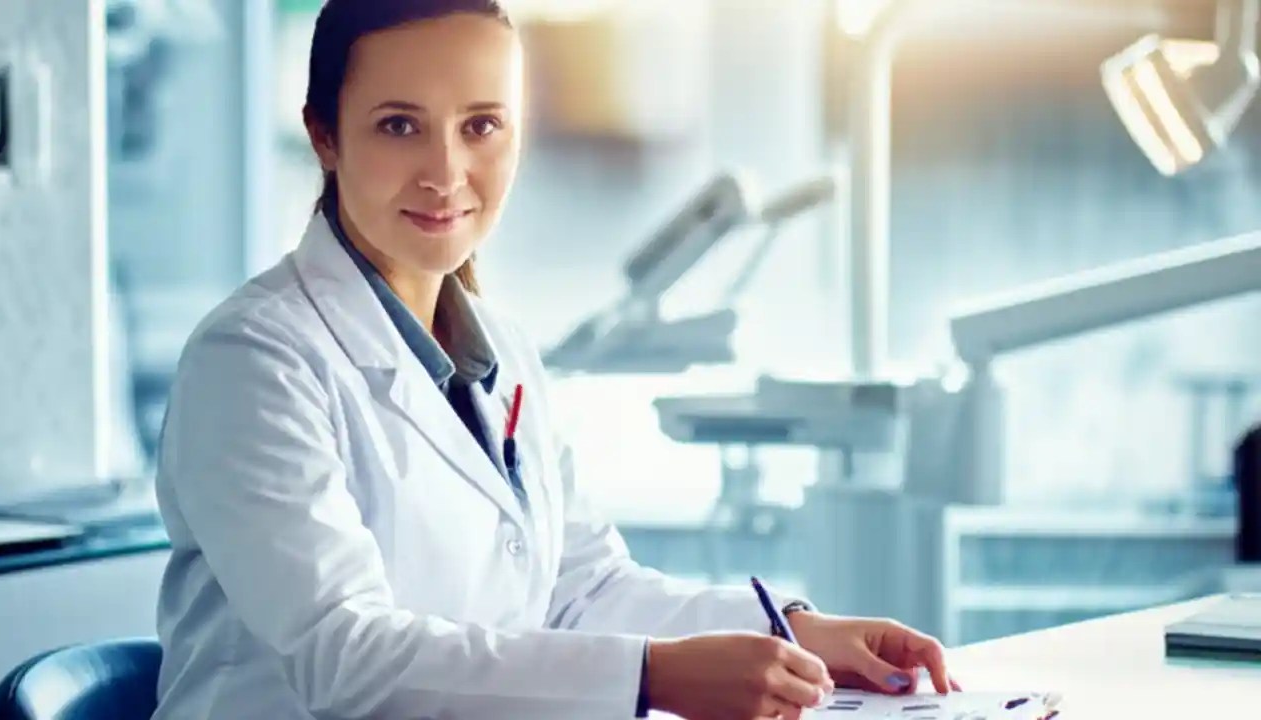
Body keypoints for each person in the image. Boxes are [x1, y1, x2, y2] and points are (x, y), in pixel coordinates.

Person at [152, 1, 956, 718]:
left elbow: (583, 589)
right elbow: (345, 657)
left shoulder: (499, 348)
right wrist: (653, 677)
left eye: (481, 127)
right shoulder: (254, 360)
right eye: (399, 125)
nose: (445, 173)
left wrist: (792, 632)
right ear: (324, 135)